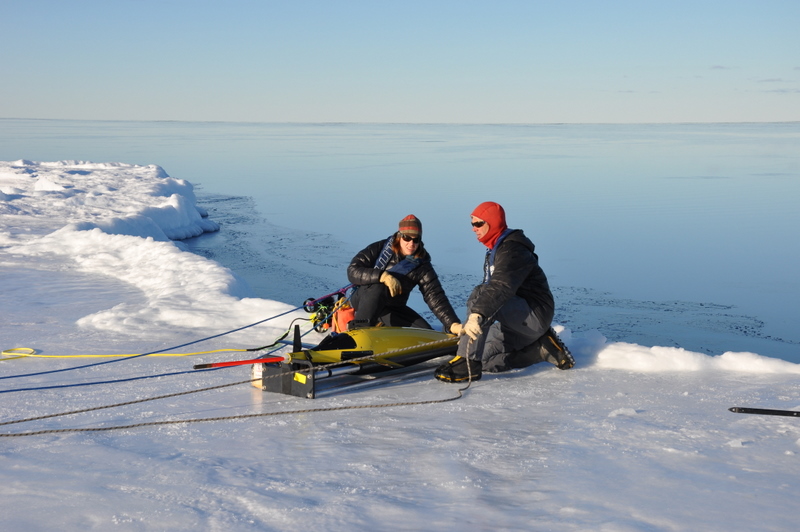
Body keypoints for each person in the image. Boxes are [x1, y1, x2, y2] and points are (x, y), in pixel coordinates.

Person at [434, 201, 574, 383]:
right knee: (485, 360)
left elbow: (501, 286)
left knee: (481, 293)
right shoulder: (496, 248)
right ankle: (540, 350)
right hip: (516, 324)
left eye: (478, 224)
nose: (473, 229)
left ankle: (466, 363)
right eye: (472, 224)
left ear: (492, 223)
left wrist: (476, 315)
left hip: (533, 315)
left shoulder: (513, 250)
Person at [347, 215, 461, 333]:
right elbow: (353, 270)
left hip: (392, 308)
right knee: (379, 286)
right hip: (364, 301)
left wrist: (453, 324)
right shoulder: (379, 248)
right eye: (407, 238)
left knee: (425, 333)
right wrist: (382, 276)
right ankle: (359, 331)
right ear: (399, 236)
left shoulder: (421, 264)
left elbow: (435, 296)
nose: (411, 244)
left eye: (416, 239)